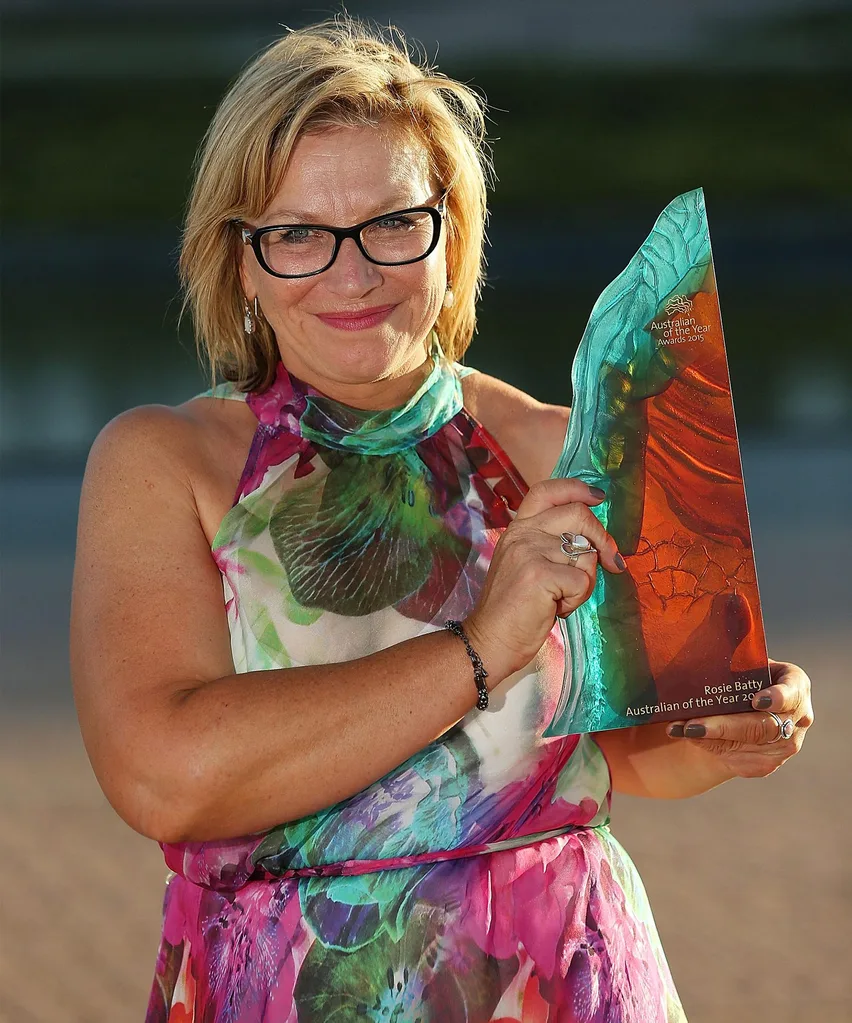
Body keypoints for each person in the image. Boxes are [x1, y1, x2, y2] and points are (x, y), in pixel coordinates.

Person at [70, 18, 813, 1022]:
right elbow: (167, 777)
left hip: (564, 983)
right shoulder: (166, 463)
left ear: (450, 234)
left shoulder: (564, 449)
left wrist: (735, 727)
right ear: (240, 263)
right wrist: (481, 646)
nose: (353, 273)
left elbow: (627, 758)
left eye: (391, 224)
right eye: (295, 235)